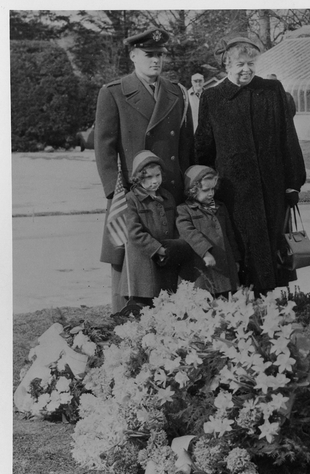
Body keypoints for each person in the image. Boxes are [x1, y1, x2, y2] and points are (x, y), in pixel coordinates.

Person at [195, 35, 306, 296]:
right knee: (239, 246)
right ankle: (240, 304)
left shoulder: (271, 90)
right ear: (227, 65)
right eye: (240, 64)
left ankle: (266, 304)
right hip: (232, 190)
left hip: (271, 187)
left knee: (269, 245)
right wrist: (202, 186)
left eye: (251, 63)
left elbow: (288, 138)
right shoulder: (213, 97)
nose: (246, 69)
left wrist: (293, 183)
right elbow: (203, 147)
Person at [94, 27, 194, 312]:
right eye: (149, 55)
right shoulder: (113, 93)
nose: (156, 61)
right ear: (133, 56)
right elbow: (104, 147)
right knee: (130, 256)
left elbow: (187, 146)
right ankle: (126, 318)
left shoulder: (177, 93)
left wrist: (188, 187)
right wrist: (115, 192)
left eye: (160, 55)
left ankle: (169, 319)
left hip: (170, 191)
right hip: (133, 194)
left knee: (169, 255)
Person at [119, 151, 191, 310]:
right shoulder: (132, 199)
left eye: (157, 175)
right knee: (143, 302)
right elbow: (134, 232)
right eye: (148, 177)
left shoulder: (167, 197)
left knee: (164, 300)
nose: (154, 181)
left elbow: (175, 225)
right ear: (138, 178)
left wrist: (176, 246)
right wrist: (157, 249)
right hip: (142, 260)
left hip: (166, 258)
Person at [176, 165, 241, 296]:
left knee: (226, 302)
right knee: (204, 301)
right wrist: (205, 252)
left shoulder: (220, 207)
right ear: (193, 190)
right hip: (201, 266)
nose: (211, 193)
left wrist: (236, 259)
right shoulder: (184, 210)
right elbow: (190, 234)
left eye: (213, 189)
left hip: (224, 265)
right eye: (206, 190)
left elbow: (230, 235)